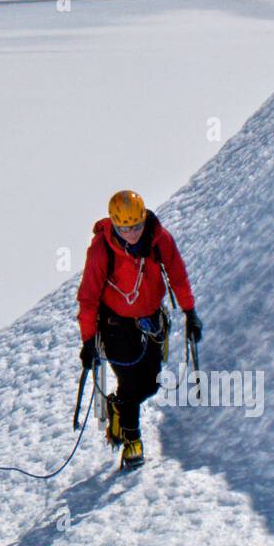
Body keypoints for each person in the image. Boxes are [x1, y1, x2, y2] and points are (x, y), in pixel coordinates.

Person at [77, 190, 201, 471]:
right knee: (132, 384)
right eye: (124, 228)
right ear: (115, 224)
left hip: (152, 320)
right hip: (115, 325)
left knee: (151, 383)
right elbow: (88, 298)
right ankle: (132, 442)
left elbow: (178, 274)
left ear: (144, 219)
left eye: (136, 226)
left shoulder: (159, 239)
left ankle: (118, 407)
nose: (132, 233)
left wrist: (190, 311)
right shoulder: (101, 250)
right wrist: (88, 341)